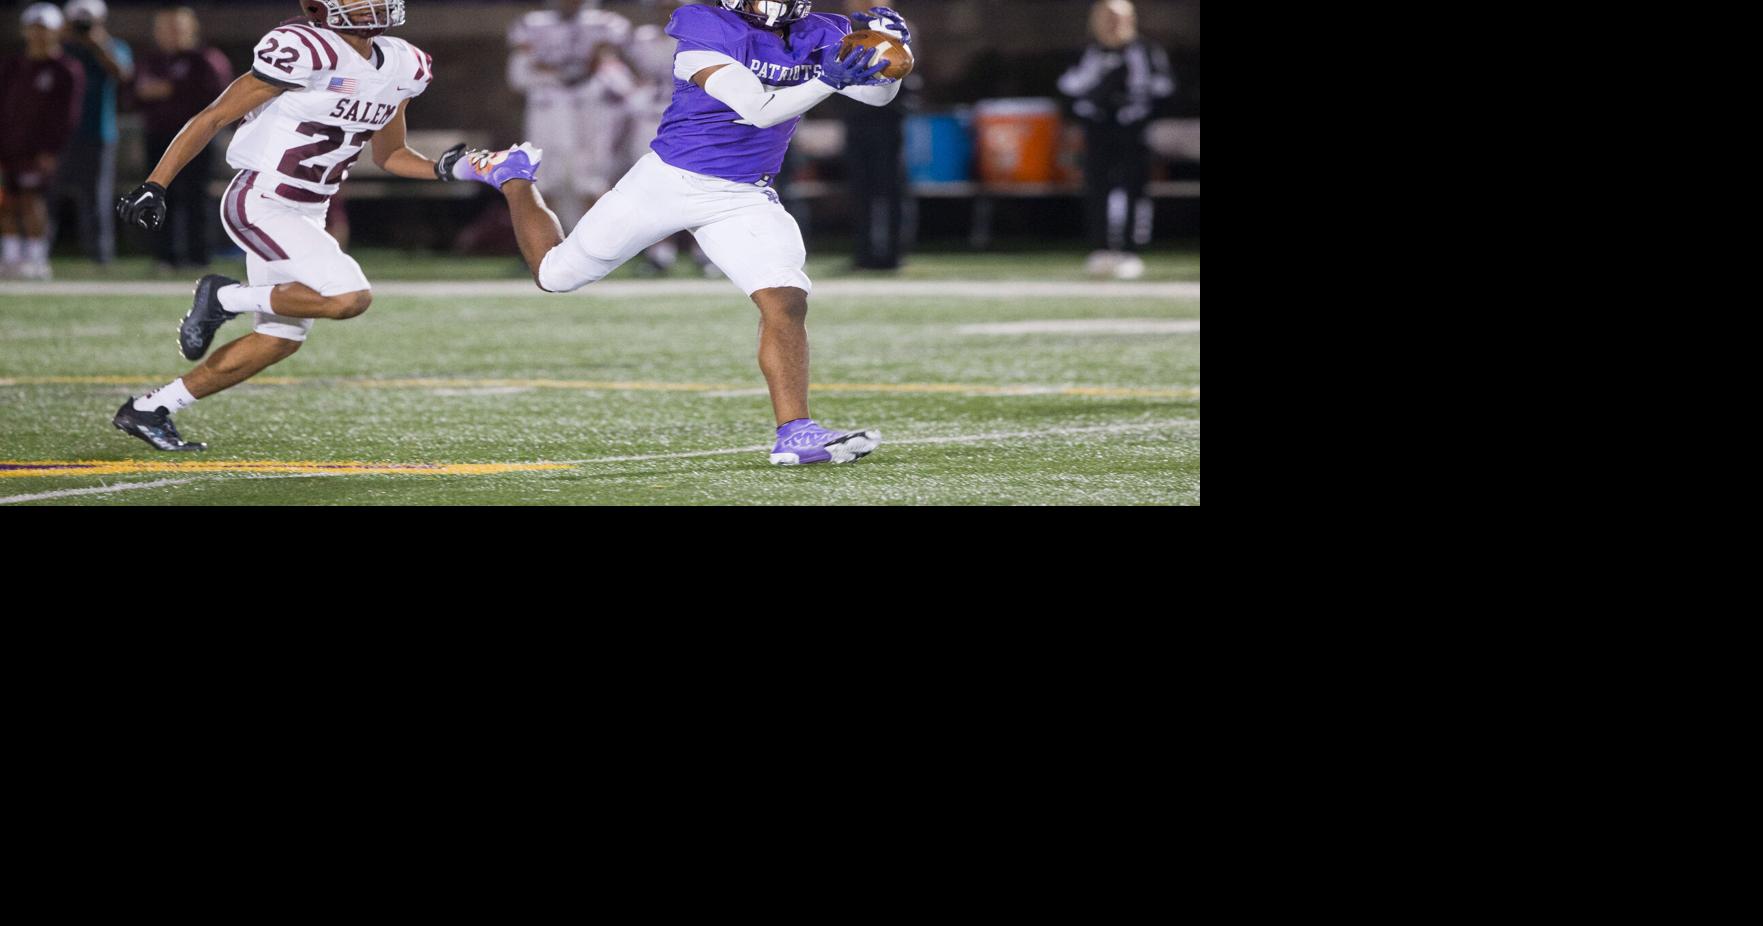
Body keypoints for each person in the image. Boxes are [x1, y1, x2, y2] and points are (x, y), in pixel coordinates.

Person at [464, 0, 906, 465]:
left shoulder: (818, 32)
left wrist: (889, 59)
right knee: (555, 275)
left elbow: (875, 97)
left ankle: (795, 432)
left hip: (743, 194)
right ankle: (514, 178)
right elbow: (759, 109)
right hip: (669, 180)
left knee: (786, 297)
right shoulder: (704, 25)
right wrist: (828, 78)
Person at [111, 0, 470, 452]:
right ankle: (224, 296)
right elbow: (214, 115)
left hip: (311, 210)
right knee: (348, 296)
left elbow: (390, 155)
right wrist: (155, 184)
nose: (372, 3)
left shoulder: (404, 64)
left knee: (278, 338)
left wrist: (451, 169)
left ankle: (150, 409)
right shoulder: (304, 49)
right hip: (262, 198)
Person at [1058, 0, 1173, 281]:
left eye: (1118, 17)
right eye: (1107, 17)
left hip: (1133, 132)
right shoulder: (1086, 52)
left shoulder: (1146, 51)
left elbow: (1165, 88)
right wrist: (1098, 96)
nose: (1113, 24)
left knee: (1134, 189)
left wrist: (1132, 106)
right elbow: (1067, 90)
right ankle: (1100, 248)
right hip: (1098, 131)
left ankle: (1130, 251)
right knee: (1098, 187)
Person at [506, 0, 631, 230]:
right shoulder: (532, 23)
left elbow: (604, 57)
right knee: (541, 179)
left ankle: (601, 241)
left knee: (589, 180)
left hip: (586, 109)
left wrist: (580, 68)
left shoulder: (605, 23)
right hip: (548, 107)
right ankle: (543, 245)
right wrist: (561, 72)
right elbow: (522, 69)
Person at [134, 5, 232, 270]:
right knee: (157, 194)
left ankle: (197, 256)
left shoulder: (206, 59)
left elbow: (219, 98)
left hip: (196, 139)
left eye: (176, 28)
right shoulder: (150, 60)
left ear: (191, 29)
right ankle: (164, 257)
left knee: (195, 197)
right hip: (158, 136)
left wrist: (171, 89)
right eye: (165, 28)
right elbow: (134, 93)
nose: (170, 34)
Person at [0, 3, 84, 281]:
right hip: (9, 145)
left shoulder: (65, 69)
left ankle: (37, 258)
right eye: (34, 29)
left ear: (57, 32)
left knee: (32, 200)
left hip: (39, 149)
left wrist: (51, 149)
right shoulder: (12, 66)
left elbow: (67, 115)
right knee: (7, 201)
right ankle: (11, 257)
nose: (38, 35)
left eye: (44, 29)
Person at [832, 0, 911, 270]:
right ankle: (863, 254)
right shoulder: (842, 30)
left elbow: (906, 69)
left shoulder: (897, 28)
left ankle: (892, 255)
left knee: (889, 188)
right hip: (855, 120)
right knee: (860, 190)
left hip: (887, 120)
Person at [58, 0, 133, 266]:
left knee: (96, 199)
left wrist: (98, 43)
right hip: (60, 134)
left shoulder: (112, 47)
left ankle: (100, 256)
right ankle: (39, 253)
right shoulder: (62, 50)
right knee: (48, 195)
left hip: (98, 132)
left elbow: (122, 74)